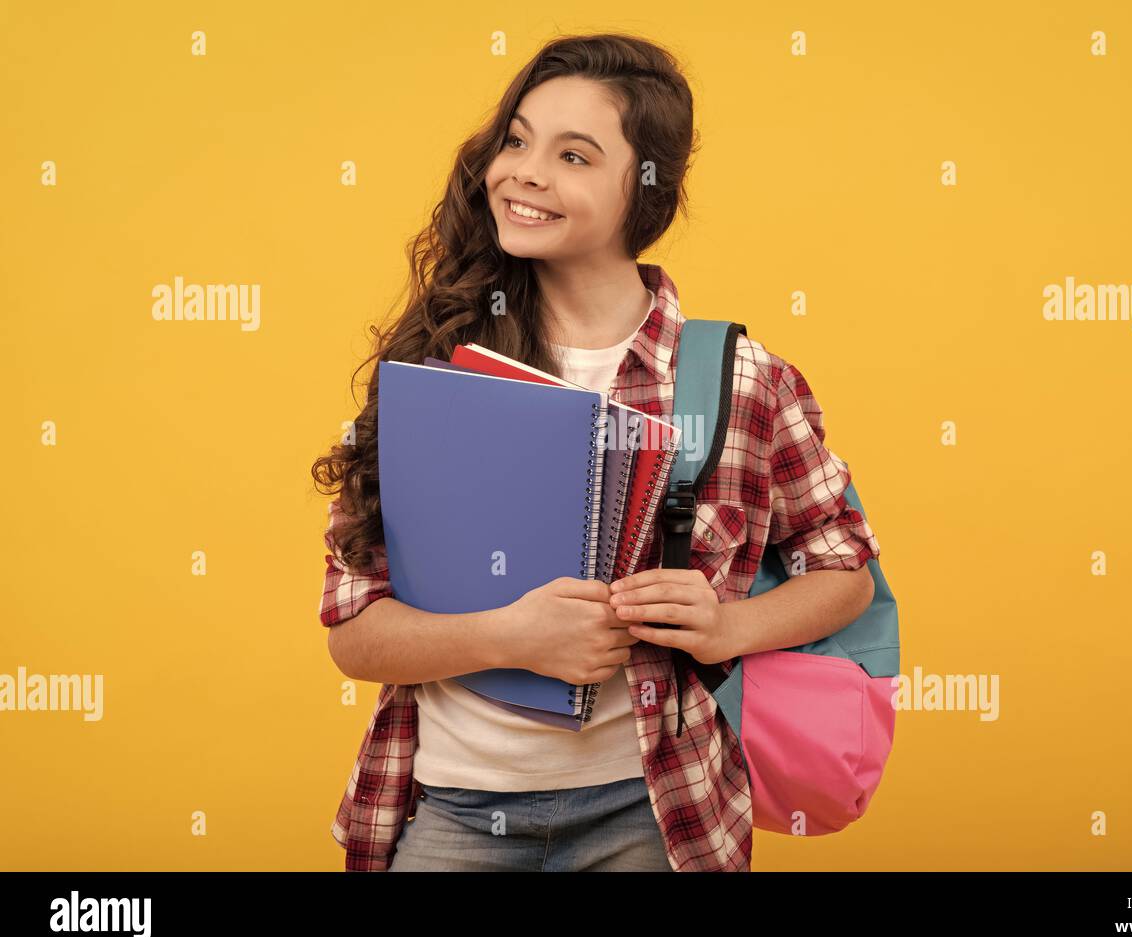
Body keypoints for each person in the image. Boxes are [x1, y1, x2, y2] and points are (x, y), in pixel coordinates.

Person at [311, 32, 882, 872]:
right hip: (455, 807)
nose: (525, 172)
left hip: (655, 811)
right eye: (516, 139)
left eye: (573, 155)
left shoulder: (744, 381)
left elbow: (845, 572)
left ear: (643, 192)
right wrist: (510, 636)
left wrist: (728, 625)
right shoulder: (435, 373)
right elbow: (353, 635)